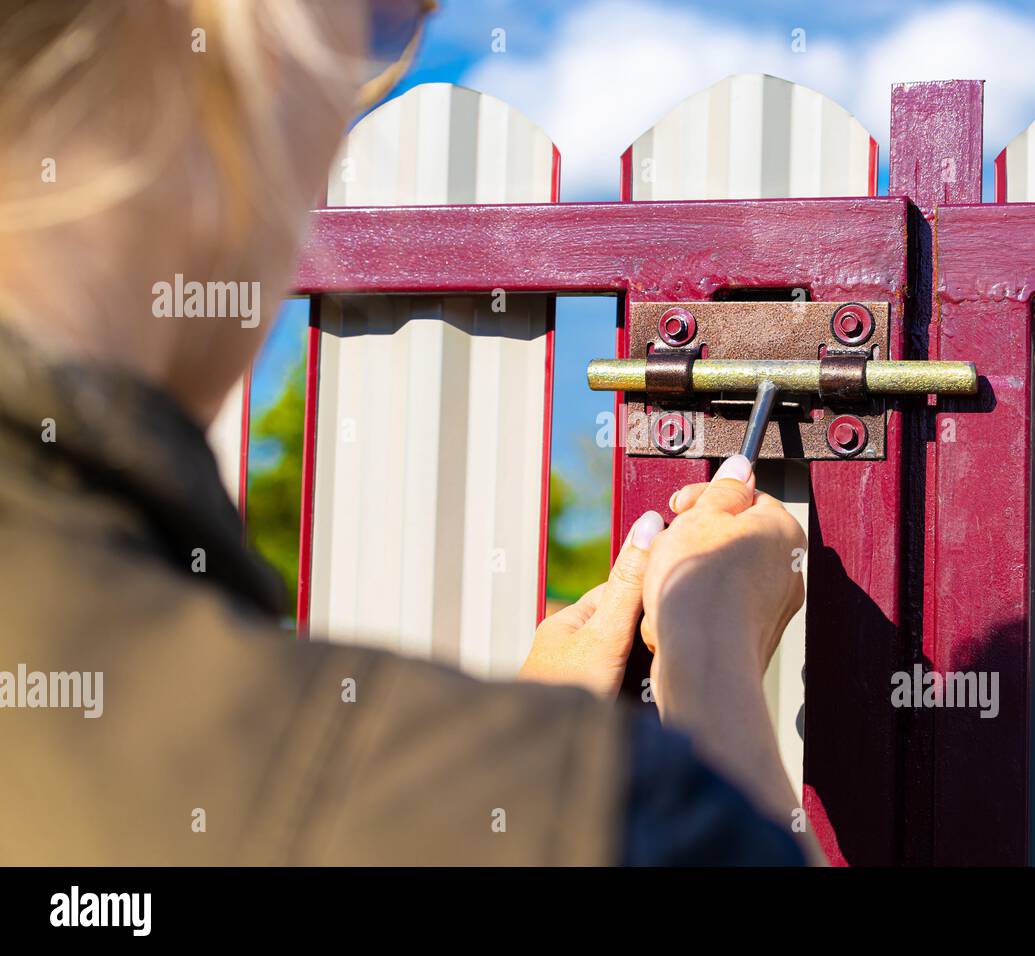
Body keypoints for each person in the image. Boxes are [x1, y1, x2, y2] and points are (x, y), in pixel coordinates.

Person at [0, 0, 816, 865]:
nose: (353, 113)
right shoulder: (603, 814)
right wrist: (707, 670)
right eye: (384, 19)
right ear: (250, 43)